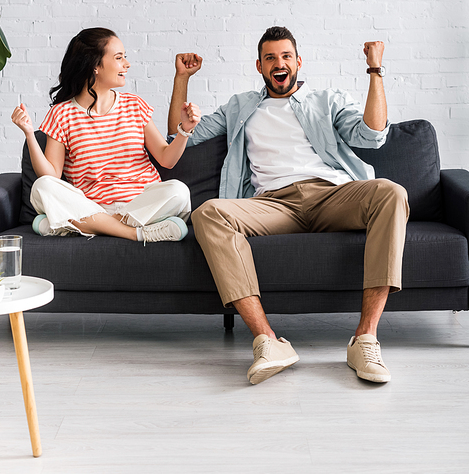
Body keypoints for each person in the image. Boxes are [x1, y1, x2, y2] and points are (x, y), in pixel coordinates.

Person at [168, 26, 409, 385]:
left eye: (285, 57)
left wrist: (375, 70)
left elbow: (373, 136)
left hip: (331, 195)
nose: (278, 64)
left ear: (298, 62)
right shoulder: (240, 107)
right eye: (270, 58)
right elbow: (179, 137)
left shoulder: (326, 100)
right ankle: (267, 340)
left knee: (390, 192)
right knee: (208, 212)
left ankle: (365, 339)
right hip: (273, 204)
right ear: (259, 66)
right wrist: (181, 79)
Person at [12, 27, 200, 243]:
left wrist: (184, 130)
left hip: (139, 204)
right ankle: (132, 233)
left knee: (179, 191)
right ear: (95, 66)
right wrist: (28, 133)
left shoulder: (134, 106)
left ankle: (86, 226)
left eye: (124, 58)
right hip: (92, 206)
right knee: (42, 187)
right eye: (119, 58)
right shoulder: (62, 114)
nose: (126, 65)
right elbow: (51, 176)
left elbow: (167, 160)